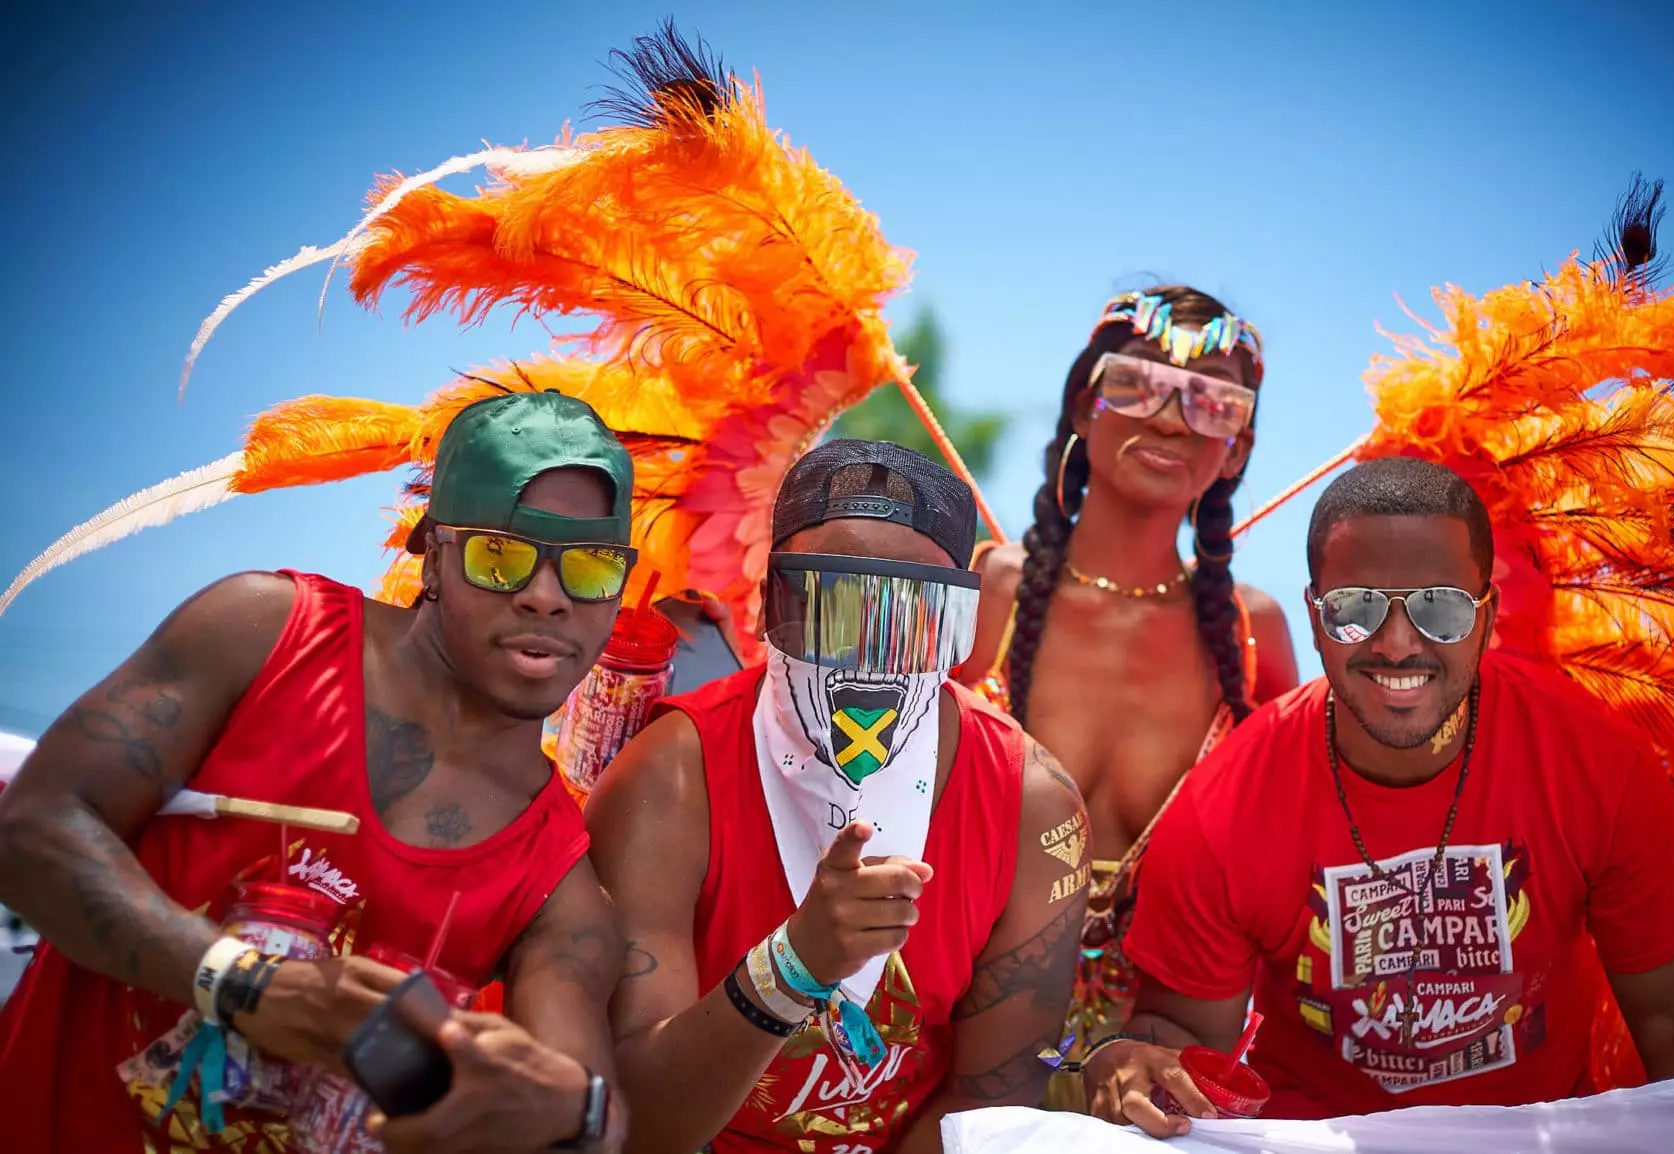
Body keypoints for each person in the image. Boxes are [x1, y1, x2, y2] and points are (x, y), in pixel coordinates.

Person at [0, 391, 632, 1153]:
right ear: (431, 553)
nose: (546, 596)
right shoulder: (264, 636)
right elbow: (35, 825)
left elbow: (584, 1097)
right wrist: (243, 985)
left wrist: (569, 1113)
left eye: (592, 568)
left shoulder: (555, 876)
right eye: (501, 556)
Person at [1083, 456, 1674, 1135]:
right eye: (1355, 610)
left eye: (1441, 608)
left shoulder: (1596, 764)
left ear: (1486, 617)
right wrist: (1126, 1057)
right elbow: (1185, 1034)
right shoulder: (1225, 804)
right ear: (1314, 619)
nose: (1397, 644)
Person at [587, 438, 1088, 1154]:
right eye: (830, 608)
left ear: (960, 631)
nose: (869, 656)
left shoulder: (1031, 802)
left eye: (911, 616)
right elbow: (636, 1128)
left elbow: (991, 1105)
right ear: (767, 606)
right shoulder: (667, 781)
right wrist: (791, 967)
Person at [955, 285, 1299, 1086]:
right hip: (956, 1053)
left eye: (1212, 400)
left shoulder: (1255, 637)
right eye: (1136, 383)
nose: (1172, 418)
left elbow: (1291, 859)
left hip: (1159, 1079)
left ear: (1238, 448)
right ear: (1084, 407)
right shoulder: (991, 591)